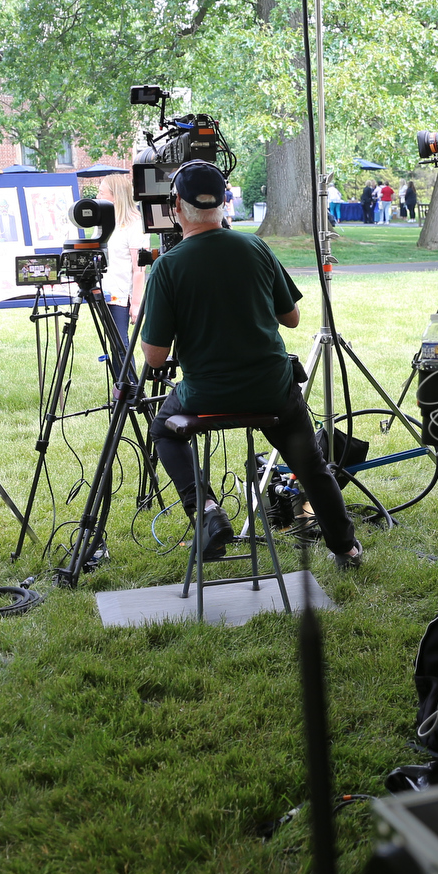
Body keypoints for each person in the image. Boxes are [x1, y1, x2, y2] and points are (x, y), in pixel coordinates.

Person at [140, 161, 360, 569]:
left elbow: (154, 357)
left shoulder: (166, 266)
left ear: (176, 206)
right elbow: (292, 318)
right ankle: (346, 548)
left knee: (162, 431)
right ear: (224, 203)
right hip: (272, 390)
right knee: (312, 466)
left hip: (205, 396)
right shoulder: (255, 247)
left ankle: (207, 509)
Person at [100, 172, 146, 342]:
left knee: (120, 345)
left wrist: (136, 303)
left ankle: (125, 365)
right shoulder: (106, 222)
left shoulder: (134, 224)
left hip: (120, 296)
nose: (98, 197)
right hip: (104, 292)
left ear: (116, 196)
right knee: (112, 343)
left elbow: (139, 268)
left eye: (102, 193)